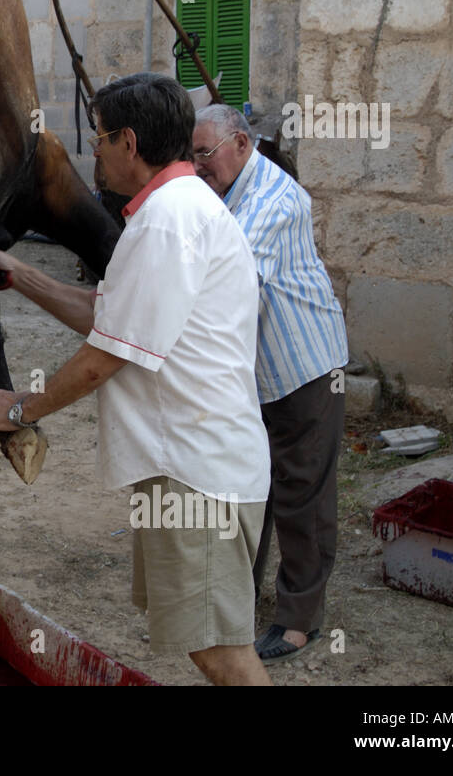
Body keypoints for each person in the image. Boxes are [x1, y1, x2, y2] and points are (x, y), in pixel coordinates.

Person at [0, 72, 271, 686]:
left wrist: (20, 409)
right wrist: (20, 274)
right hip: (191, 463)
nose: (96, 153)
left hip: (196, 470)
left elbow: (105, 356)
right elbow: (109, 317)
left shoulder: (167, 221)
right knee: (208, 644)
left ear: (129, 142)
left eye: (101, 136)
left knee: (220, 651)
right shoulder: (172, 212)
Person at [192, 104, 348, 663]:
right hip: (257, 372)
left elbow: (230, 278)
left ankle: (299, 621)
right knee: (249, 487)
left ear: (240, 143)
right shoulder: (225, 190)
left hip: (304, 366)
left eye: (205, 154)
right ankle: (238, 600)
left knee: (302, 495)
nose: (198, 165)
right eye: (192, 155)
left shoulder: (274, 200)